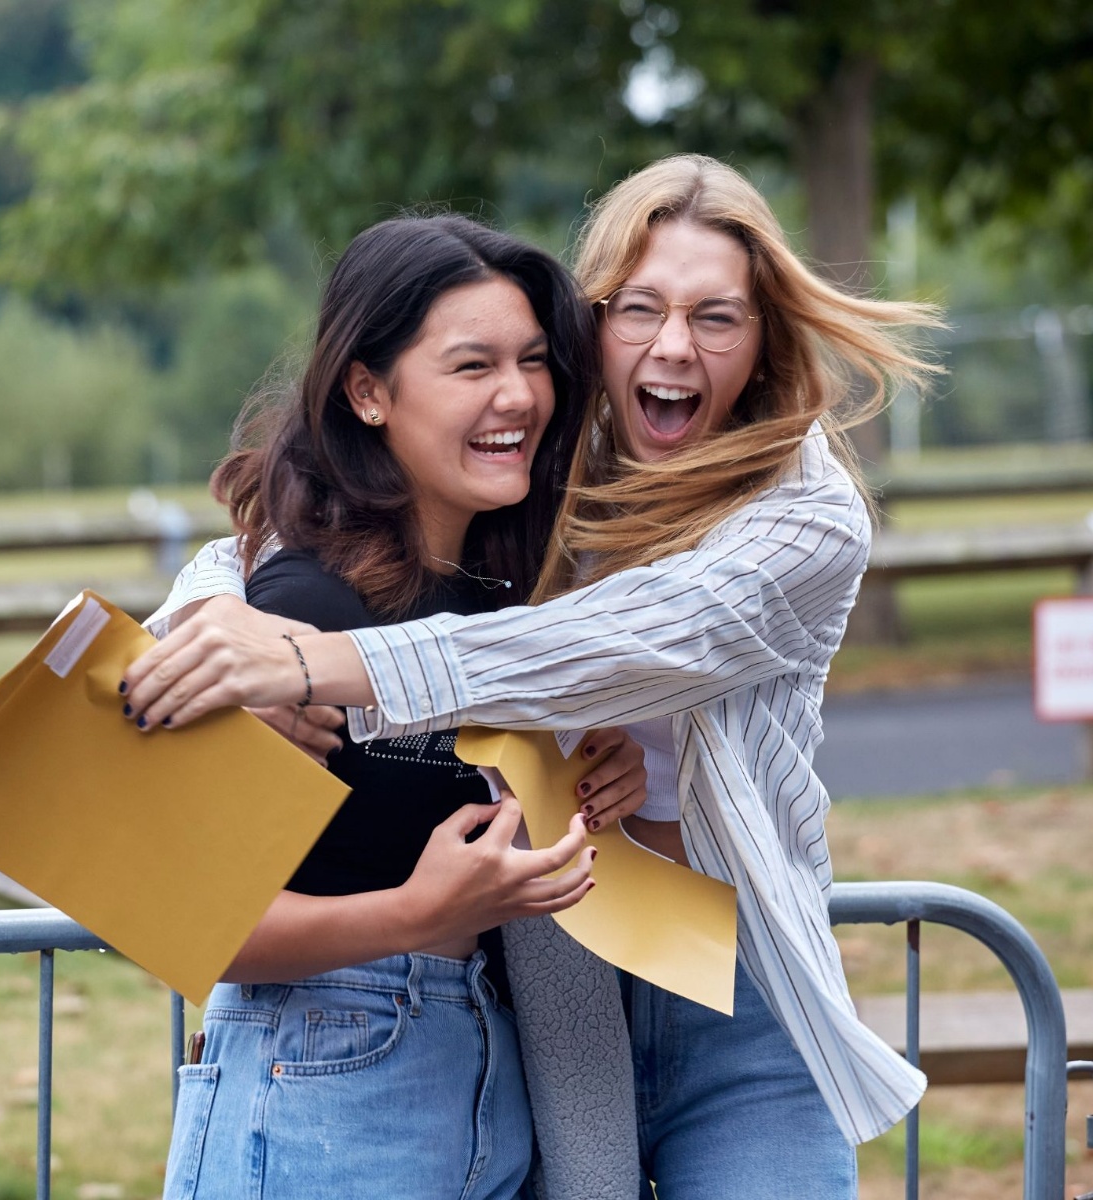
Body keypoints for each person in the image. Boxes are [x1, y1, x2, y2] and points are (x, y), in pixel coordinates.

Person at [126, 154, 945, 1199]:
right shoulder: (542, 466)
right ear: (592, 323)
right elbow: (294, 538)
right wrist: (205, 625)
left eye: (718, 318)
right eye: (637, 308)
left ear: (766, 335)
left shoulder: (805, 512)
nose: (673, 347)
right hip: (544, 974)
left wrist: (317, 663)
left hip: (731, 988)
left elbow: (605, 646)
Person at [153, 213, 650, 1200]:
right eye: (472, 366)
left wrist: (589, 783)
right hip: (326, 1077)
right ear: (368, 391)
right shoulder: (301, 618)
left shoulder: (486, 603)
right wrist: (417, 911)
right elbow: (204, 922)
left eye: (535, 361)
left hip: (474, 1080)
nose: (518, 395)